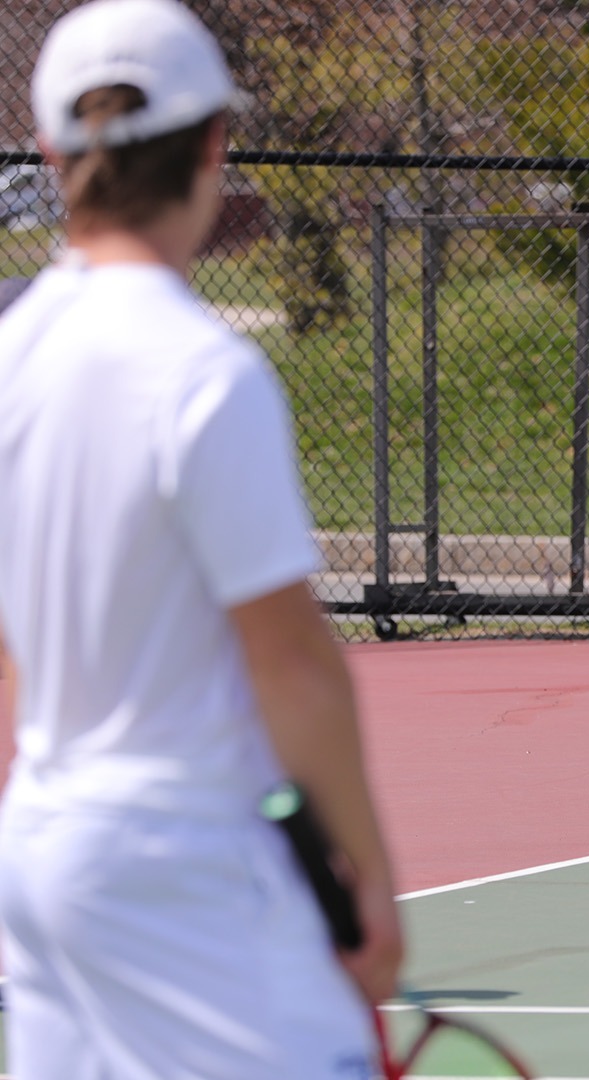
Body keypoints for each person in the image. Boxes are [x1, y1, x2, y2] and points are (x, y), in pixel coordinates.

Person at [0, 2, 402, 1076]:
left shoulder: (12, 352)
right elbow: (292, 662)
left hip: (41, 852)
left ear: (50, 153)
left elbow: (14, 653)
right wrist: (367, 875)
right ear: (216, 146)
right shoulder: (205, 373)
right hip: (186, 864)